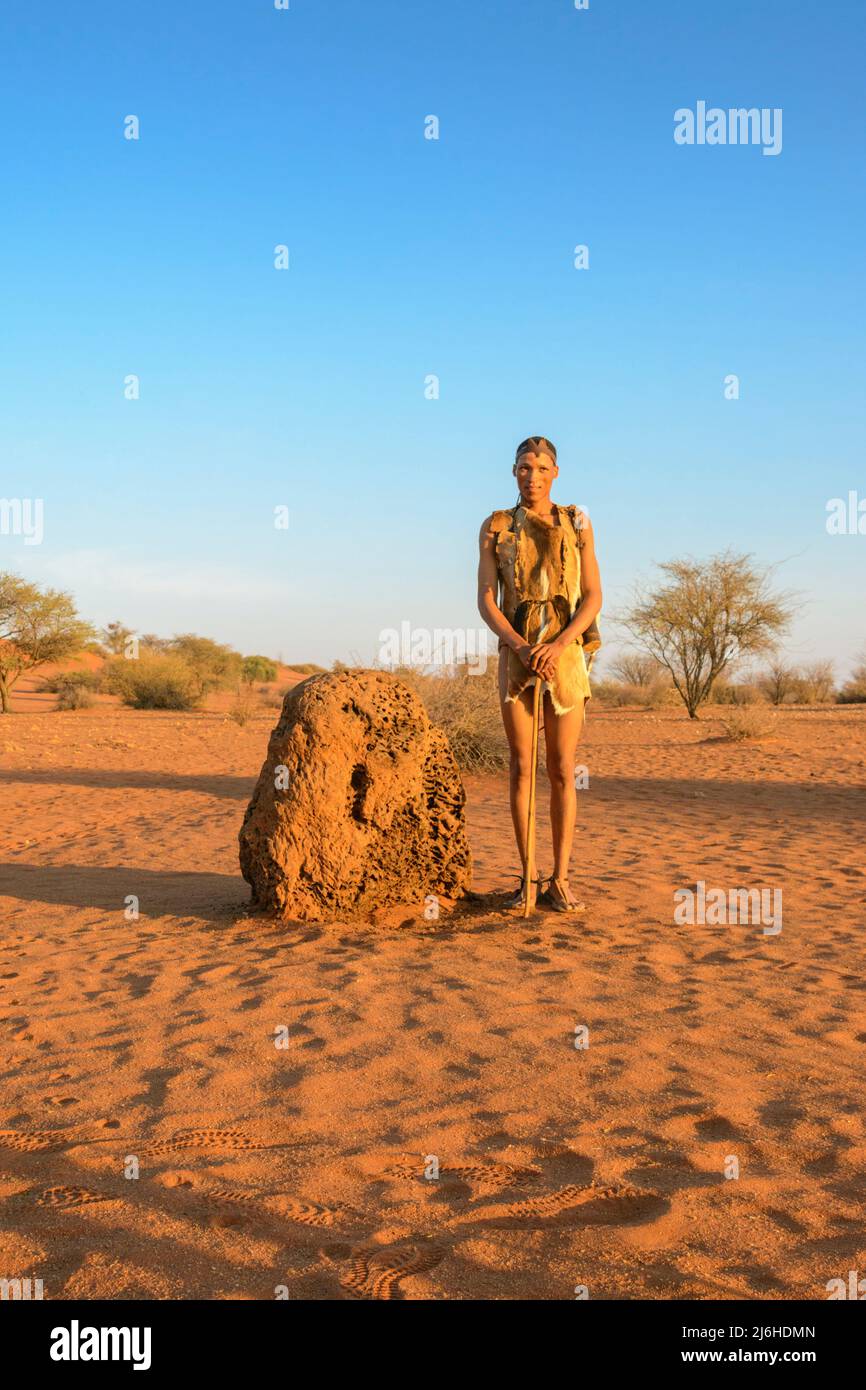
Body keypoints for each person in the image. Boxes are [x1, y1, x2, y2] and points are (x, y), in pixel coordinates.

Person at [477, 436, 602, 913]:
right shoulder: (497, 526)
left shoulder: (577, 523)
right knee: (521, 765)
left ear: (556, 473)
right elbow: (487, 599)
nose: (533, 476)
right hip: (518, 654)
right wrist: (523, 647)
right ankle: (526, 879)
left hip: (565, 655)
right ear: (513, 472)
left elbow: (592, 596)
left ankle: (561, 879)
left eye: (541, 468)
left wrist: (559, 644)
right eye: (524, 468)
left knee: (562, 768)